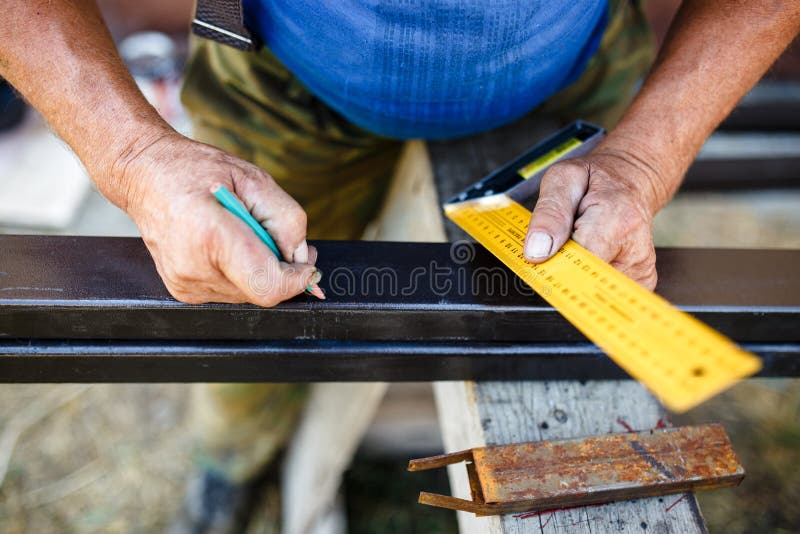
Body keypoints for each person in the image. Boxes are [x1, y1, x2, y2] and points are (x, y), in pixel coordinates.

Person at [3, 0, 799, 531]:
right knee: (241, 299)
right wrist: (137, 156)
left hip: (573, 82)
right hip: (281, 86)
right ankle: (232, 459)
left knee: (578, 315)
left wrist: (648, 156)